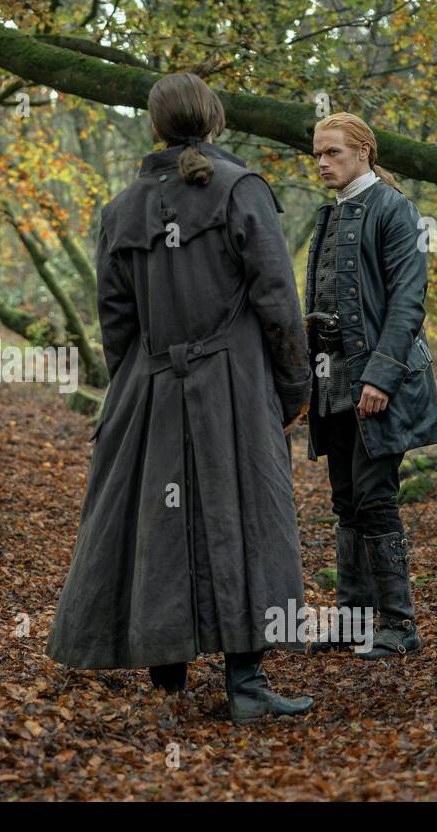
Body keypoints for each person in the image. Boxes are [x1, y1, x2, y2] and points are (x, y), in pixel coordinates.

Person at [45, 73, 314, 723]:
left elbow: (115, 321)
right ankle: (246, 686)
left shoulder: (122, 209)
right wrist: (294, 387)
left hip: (153, 382)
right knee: (242, 519)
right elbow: (278, 299)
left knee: (162, 524)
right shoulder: (239, 188)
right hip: (235, 382)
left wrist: (137, 382)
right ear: (212, 121)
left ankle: (169, 672)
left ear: (155, 126)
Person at [304, 112, 437, 658]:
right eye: (317, 153)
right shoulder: (331, 213)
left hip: (379, 383)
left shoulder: (395, 209)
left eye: (333, 152)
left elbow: (409, 302)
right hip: (333, 381)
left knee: (375, 499)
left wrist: (381, 377)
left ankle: (398, 623)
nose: (322, 162)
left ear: (364, 152)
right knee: (346, 503)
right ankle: (353, 619)